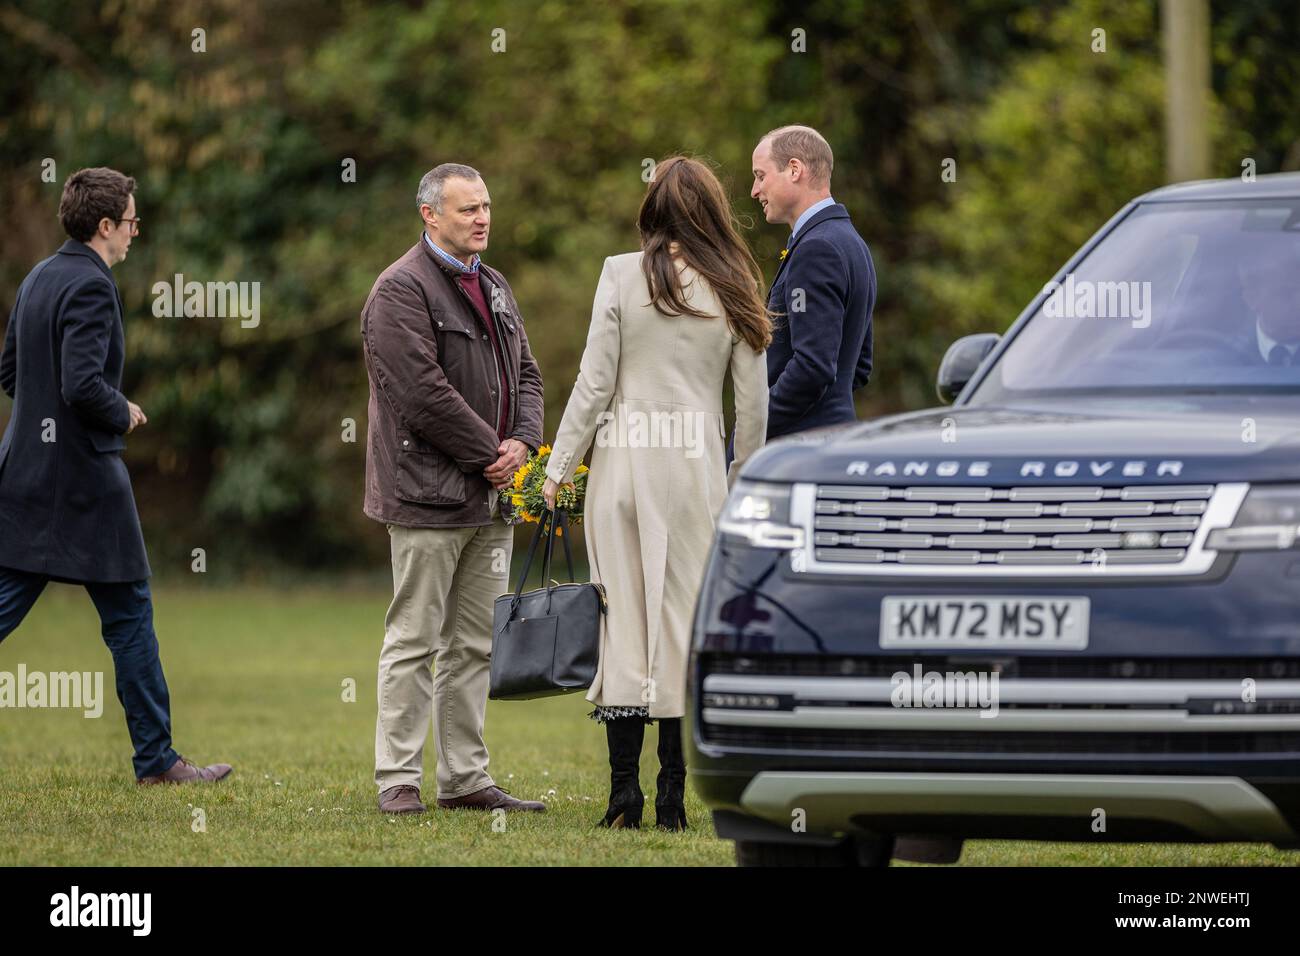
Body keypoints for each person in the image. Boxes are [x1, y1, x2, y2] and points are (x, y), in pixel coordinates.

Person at [542, 156, 770, 830]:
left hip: (625, 465)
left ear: (652, 211)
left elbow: (594, 383)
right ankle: (672, 797)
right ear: (713, 211)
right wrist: (740, 483)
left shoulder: (619, 274)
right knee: (678, 626)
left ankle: (623, 798)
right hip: (696, 471)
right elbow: (752, 409)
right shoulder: (735, 283)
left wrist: (557, 470)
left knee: (623, 623)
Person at [0, 167, 231, 785]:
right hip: (83, 484)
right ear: (105, 226)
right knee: (130, 616)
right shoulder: (93, 286)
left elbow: (10, 374)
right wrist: (121, 410)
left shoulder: (39, 277)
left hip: (23, 475)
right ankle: (157, 761)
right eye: (131, 222)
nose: (134, 233)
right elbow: (81, 386)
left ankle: (157, 758)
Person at [363, 163, 546, 815]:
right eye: (468, 209)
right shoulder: (399, 290)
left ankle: (466, 778)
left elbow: (527, 373)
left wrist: (521, 444)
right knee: (414, 639)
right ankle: (398, 779)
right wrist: (489, 455)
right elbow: (421, 393)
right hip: (425, 496)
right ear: (429, 215)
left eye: (487, 206)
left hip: (490, 498)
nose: (483, 218)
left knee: (474, 643)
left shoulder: (493, 285)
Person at [749, 125, 876, 439]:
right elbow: (858, 366)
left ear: (794, 169)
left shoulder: (816, 249)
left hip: (800, 447)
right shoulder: (851, 242)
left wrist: (754, 425)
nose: (754, 190)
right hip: (833, 436)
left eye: (760, 176)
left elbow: (813, 368)